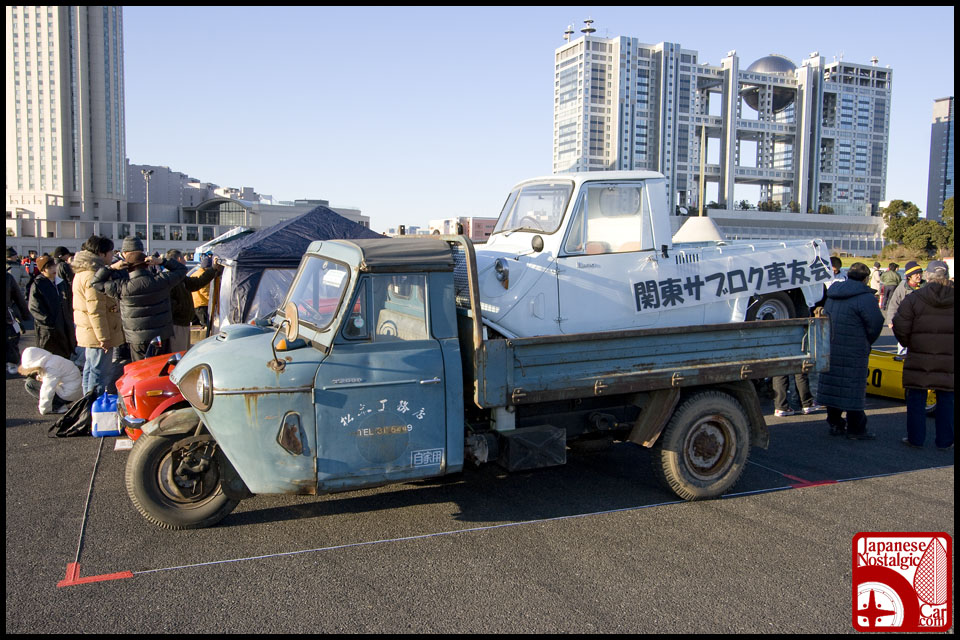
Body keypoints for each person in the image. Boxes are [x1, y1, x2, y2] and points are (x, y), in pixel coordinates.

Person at [815, 262, 885, 440]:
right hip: (855, 348)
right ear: (865, 279)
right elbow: (876, 324)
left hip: (832, 345)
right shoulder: (865, 298)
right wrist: (867, 341)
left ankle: (835, 423)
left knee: (834, 385)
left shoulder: (833, 294)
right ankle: (856, 429)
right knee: (853, 388)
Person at [892, 260, 954, 450]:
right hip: (949, 358)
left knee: (916, 398)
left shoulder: (914, 298)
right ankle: (945, 441)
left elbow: (900, 324)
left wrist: (909, 343)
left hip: (919, 355)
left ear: (927, 276)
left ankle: (916, 438)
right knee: (947, 399)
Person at [91, 248, 187, 361]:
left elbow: (96, 283)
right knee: (160, 368)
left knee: (141, 370)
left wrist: (111, 267)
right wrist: (161, 261)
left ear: (127, 267)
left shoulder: (122, 287)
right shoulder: (160, 281)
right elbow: (181, 270)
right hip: (161, 334)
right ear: (147, 264)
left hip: (136, 337)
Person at [72, 235, 126, 395]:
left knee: (90, 369)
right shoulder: (92, 275)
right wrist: (104, 337)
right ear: (101, 254)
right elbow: (96, 309)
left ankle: (87, 405)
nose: (112, 256)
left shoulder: (83, 271)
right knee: (99, 373)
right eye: (110, 252)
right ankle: (93, 408)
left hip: (90, 331)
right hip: (98, 333)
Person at [167, 249, 223, 353]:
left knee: (184, 352)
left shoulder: (180, 277)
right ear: (179, 259)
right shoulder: (171, 278)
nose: (184, 260)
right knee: (178, 354)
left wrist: (213, 269)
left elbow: (197, 283)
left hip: (183, 322)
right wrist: (182, 310)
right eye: (183, 258)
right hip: (177, 324)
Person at [28, 255, 76, 359]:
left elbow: (68, 301)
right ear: (42, 270)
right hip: (48, 329)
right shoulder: (38, 284)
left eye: (53, 266)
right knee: (48, 356)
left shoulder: (61, 283)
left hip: (64, 325)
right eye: (49, 268)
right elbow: (34, 307)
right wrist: (49, 321)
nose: (53, 270)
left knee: (64, 355)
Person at [18, 346, 83, 415]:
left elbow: (47, 389)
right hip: (72, 390)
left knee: (30, 384)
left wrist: (44, 409)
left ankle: (56, 406)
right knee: (32, 381)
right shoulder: (52, 359)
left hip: (67, 394)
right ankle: (57, 404)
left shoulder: (50, 368)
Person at [884, 260, 923, 355]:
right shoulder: (902, 287)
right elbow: (894, 304)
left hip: (922, 324)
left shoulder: (925, 286)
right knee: (903, 347)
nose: (919, 276)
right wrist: (890, 320)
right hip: (906, 323)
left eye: (920, 273)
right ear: (909, 276)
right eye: (916, 274)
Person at [6, 247, 31, 376]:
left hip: (9, 311)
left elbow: (19, 297)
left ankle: (12, 362)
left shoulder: (9, 277)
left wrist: (25, 314)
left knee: (11, 338)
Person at [190, 254, 217, 329]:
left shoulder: (195, 273)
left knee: (196, 326)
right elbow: (204, 291)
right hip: (202, 304)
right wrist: (213, 301)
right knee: (206, 326)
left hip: (195, 303)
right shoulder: (202, 275)